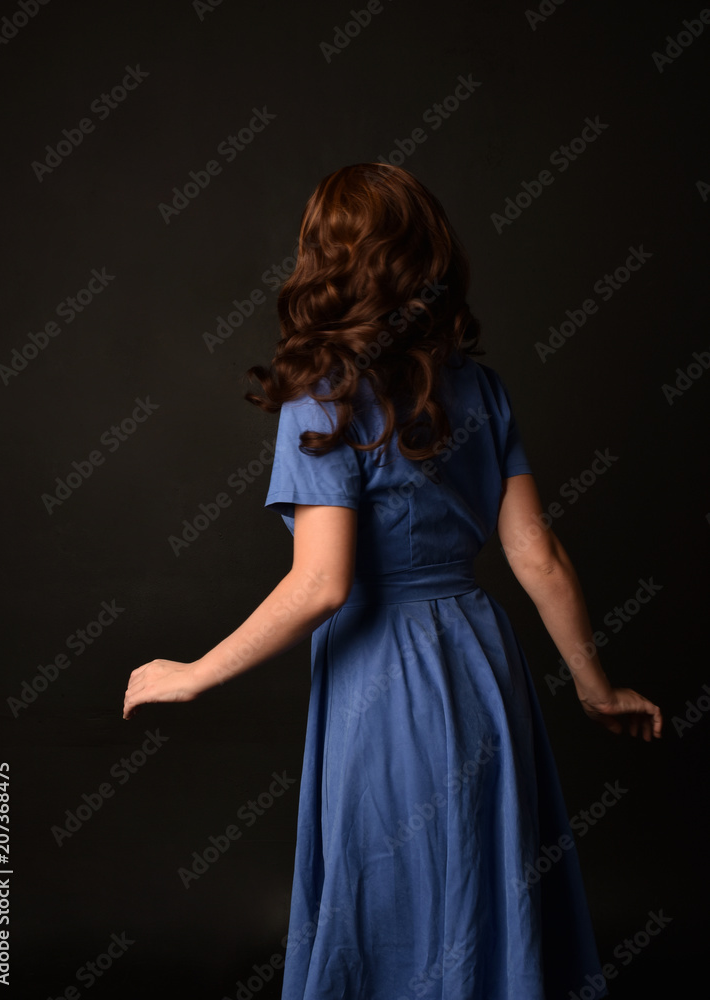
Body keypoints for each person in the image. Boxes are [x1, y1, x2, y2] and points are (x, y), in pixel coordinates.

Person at [122, 162, 662, 999]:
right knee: (480, 883)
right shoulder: (481, 388)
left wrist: (194, 674)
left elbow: (323, 585)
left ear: (325, 267)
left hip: (385, 684)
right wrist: (596, 688)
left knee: (391, 901)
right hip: (485, 666)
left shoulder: (323, 404)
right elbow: (536, 556)